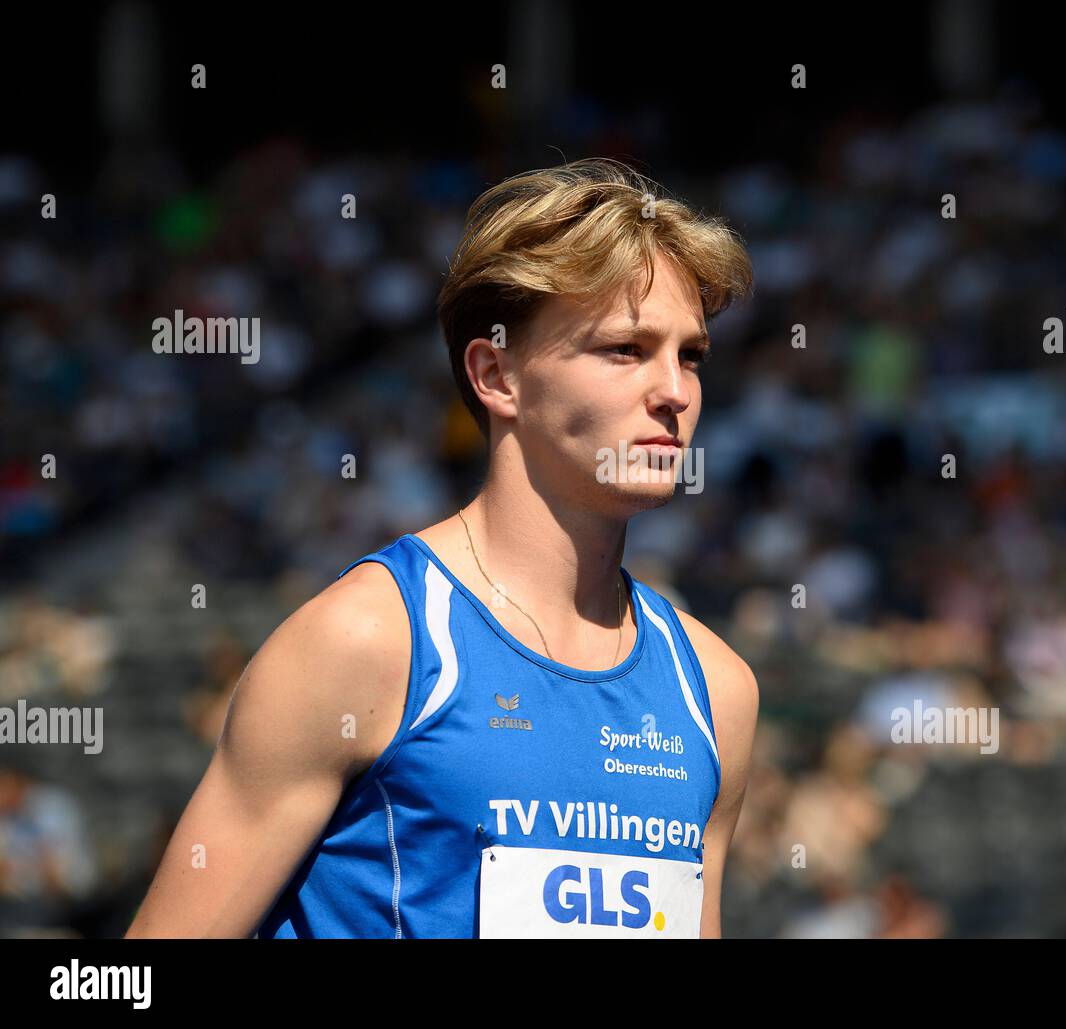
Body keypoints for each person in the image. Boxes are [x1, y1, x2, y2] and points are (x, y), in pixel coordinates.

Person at [126, 158, 759, 938]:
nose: (675, 391)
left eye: (690, 354)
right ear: (497, 374)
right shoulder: (367, 642)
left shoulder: (716, 692)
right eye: (625, 349)